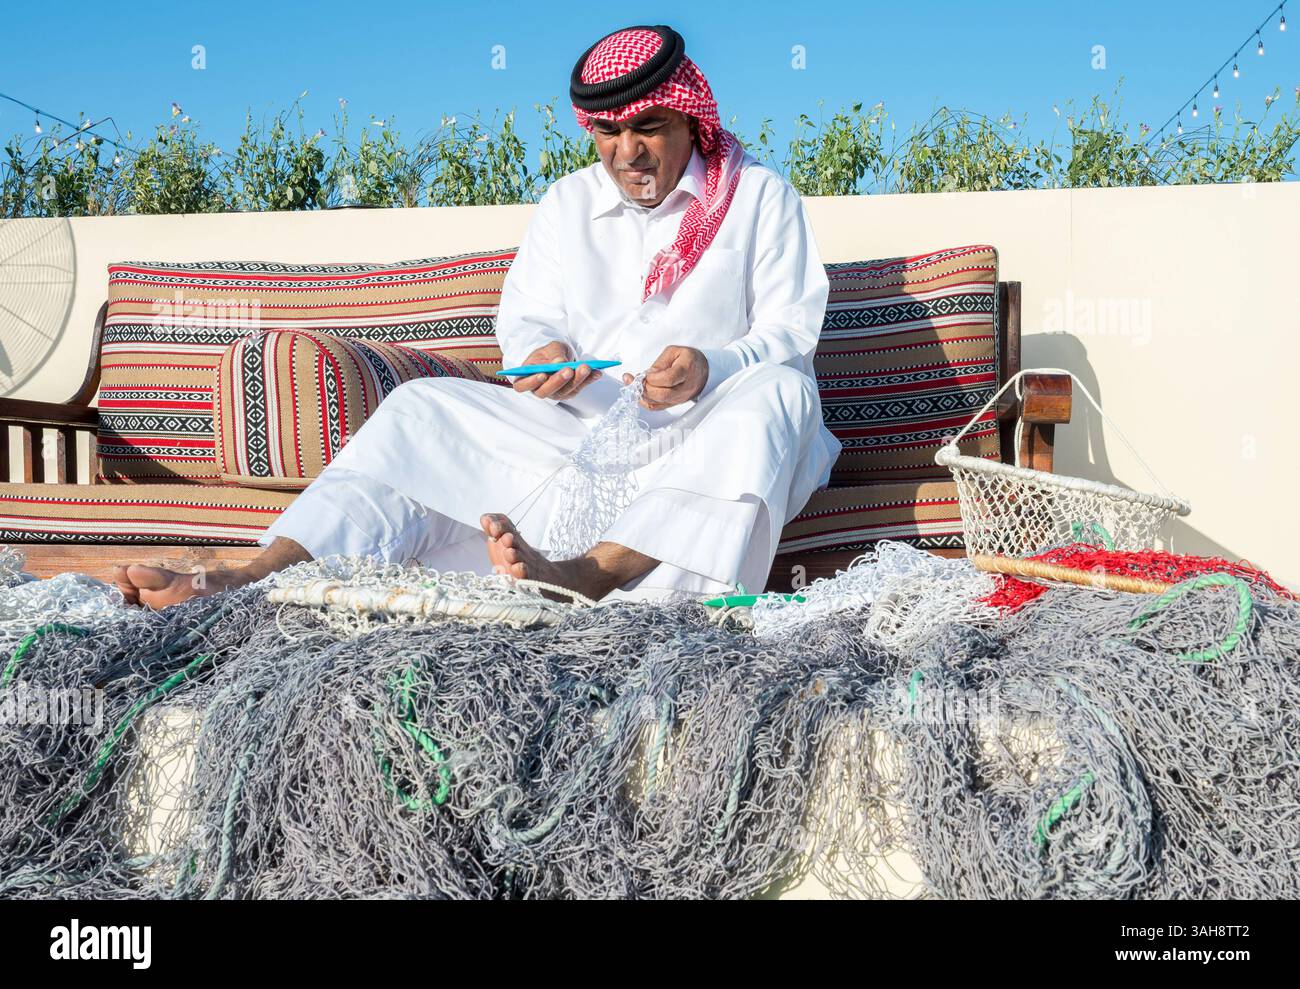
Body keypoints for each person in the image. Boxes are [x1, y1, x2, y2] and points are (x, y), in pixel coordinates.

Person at [114, 23, 841, 609]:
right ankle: (256, 576)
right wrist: (542, 355)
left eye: (647, 127)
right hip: (576, 438)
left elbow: (790, 332)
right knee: (420, 408)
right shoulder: (567, 205)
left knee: (783, 392)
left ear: (688, 114)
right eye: (606, 133)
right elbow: (525, 322)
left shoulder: (758, 197)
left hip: (707, 437)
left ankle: (589, 577)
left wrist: (711, 365)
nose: (628, 153)